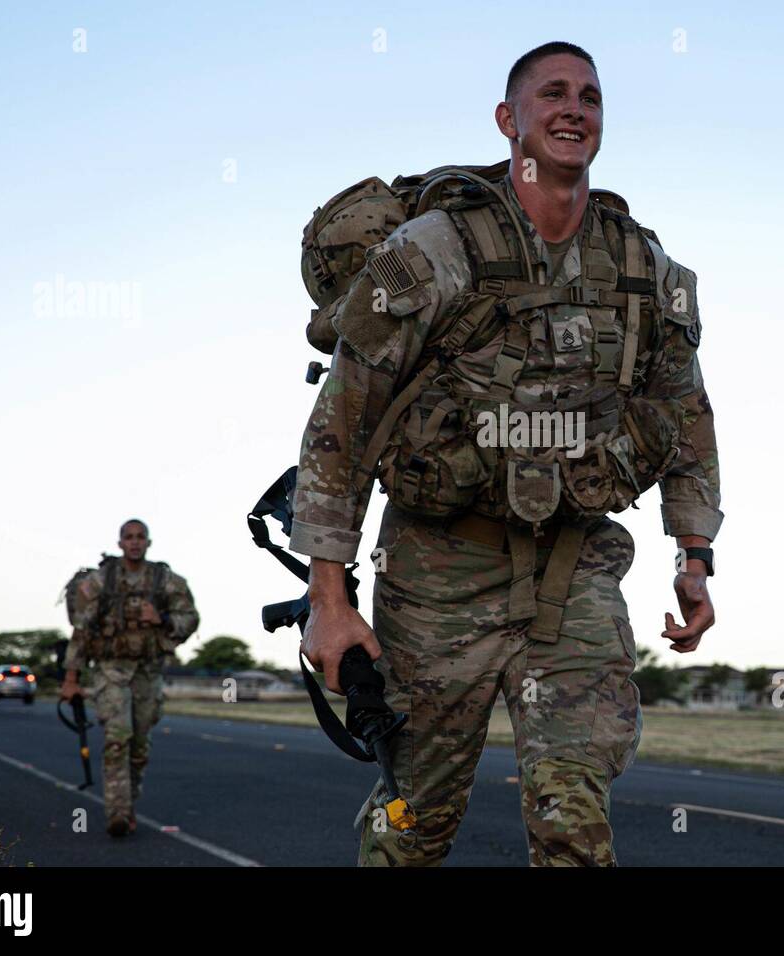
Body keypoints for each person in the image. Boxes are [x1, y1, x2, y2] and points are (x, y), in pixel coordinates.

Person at [292, 41, 721, 866]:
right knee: (414, 815)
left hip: (575, 574)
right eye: (552, 94)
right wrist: (328, 598)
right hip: (438, 578)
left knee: (573, 807)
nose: (574, 109)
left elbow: (685, 410)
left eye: (590, 98)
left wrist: (695, 555)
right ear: (508, 120)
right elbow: (343, 420)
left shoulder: (643, 266)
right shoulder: (435, 249)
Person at [60, 519, 200, 836]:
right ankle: (118, 814)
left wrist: (161, 617)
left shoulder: (165, 580)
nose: (135, 542)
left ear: (148, 543)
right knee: (116, 738)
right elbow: (81, 631)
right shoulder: (101, 581)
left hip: (148, 671)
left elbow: (190, 618)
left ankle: (129, 803)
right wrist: (71, 677)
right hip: (111, 670)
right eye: (129, 537)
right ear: (120, 543)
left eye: (140, 537)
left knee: (139, 745)